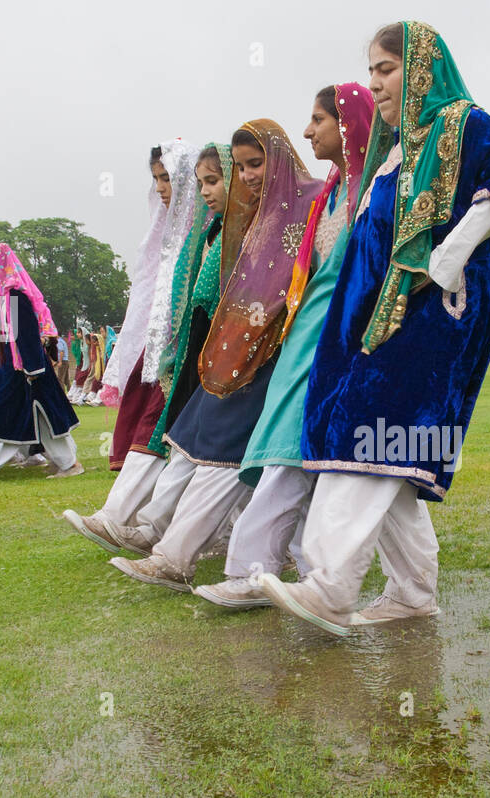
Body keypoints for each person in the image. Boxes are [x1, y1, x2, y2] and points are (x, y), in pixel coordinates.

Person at [259, 21, 490, 634]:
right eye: (370, 73)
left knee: (371, 432)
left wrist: (458, 248)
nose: (376, 84)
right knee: (398, 451)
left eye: (386, 69)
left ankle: (330, 587)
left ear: (420, 70)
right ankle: (412, 593)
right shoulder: (400, 150)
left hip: (433, 308)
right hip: (373, 317)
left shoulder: (465, 123)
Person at [109, 120, 323, 591]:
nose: (247, 176)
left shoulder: (314, 200)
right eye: (241, 166)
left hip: (281, 351)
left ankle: (180, 558)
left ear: (280, 158)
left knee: (231, 455)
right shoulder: (253, 214)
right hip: (235, 350)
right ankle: (178, 548)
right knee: (199, 442)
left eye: (255, 164)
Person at [196, 83, 375, 609]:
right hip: (307, 336)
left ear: (349, 125)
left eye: (318, 119)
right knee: (291, 451)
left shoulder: (375, 191)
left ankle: (264, 573)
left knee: (308, 457)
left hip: (343, 338)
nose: (307, 130)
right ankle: (293, 571)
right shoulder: (332, 192)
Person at [63, 140, 202, 542]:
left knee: (174, 434)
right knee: (166, 432)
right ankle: (128, 517)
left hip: (190, 348)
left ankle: (124, 517)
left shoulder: (206, 227)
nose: (160, 188)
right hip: (159, 348)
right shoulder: (162, 234)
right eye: (155, 179)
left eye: (168, 178)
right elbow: (148, 296)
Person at [0, 244, 82, 481]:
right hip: (21, 367)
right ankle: (69, 463)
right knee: (44, 417)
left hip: (24, 369)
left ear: (0, 265)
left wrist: (32, 369)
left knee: (1, 414)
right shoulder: (4, 295)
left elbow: (25, 334)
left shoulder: (14, 294)